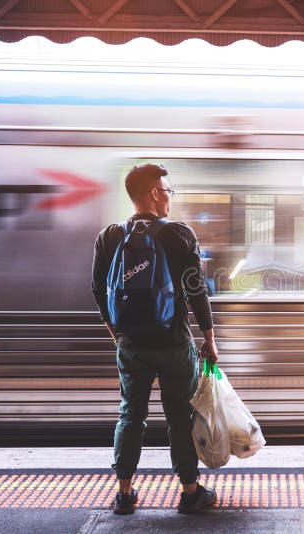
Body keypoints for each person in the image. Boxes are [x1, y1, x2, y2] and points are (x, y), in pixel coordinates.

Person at [92, 163, 219, 514]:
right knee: (180, 417)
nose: (169, 197)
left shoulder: (109, 236)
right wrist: (209, 337)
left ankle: (124, 493)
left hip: (132, 346)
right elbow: (197, 291)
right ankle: (190, 492)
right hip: (174, 344)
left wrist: (116, 334)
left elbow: (98, 291)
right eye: (167, 190)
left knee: (130, 414)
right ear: (153, 194)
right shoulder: (179, 233)